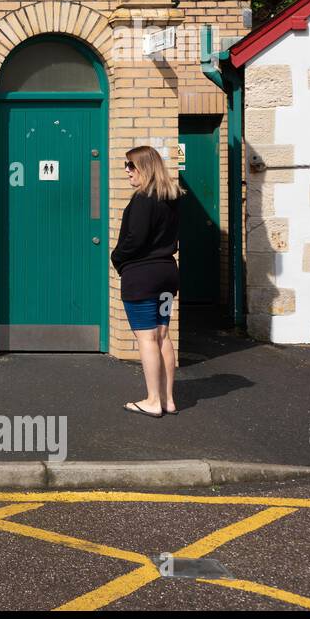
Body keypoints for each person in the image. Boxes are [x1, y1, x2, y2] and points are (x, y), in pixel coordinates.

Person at [110, 146, 181, 418]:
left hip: (142, 277)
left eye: (131, 166)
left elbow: (135, 240)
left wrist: (116, 257)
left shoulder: (142, 199)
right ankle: (168, 399)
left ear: (145, 168)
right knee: (163, 335)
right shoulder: (171, 198)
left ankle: (153, 400)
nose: (127, 171)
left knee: (146, 337)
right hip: (166, 274)